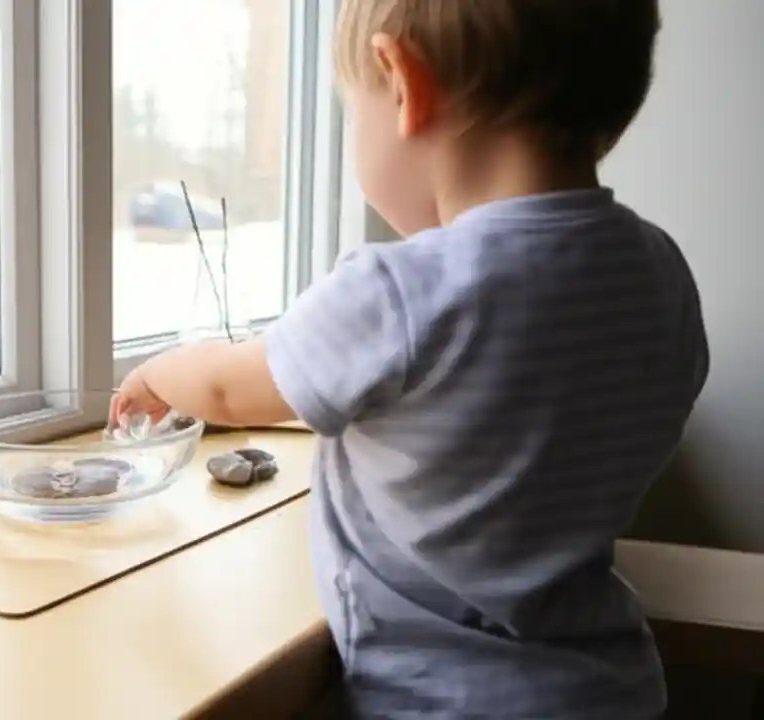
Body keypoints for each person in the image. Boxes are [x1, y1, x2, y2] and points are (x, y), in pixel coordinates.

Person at [111, 0, 709, 716]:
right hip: (613, 690)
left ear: (403, 83)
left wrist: (156, 374)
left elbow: (228, 389)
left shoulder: (406, 288)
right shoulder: (659, 269)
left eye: (350, 108)